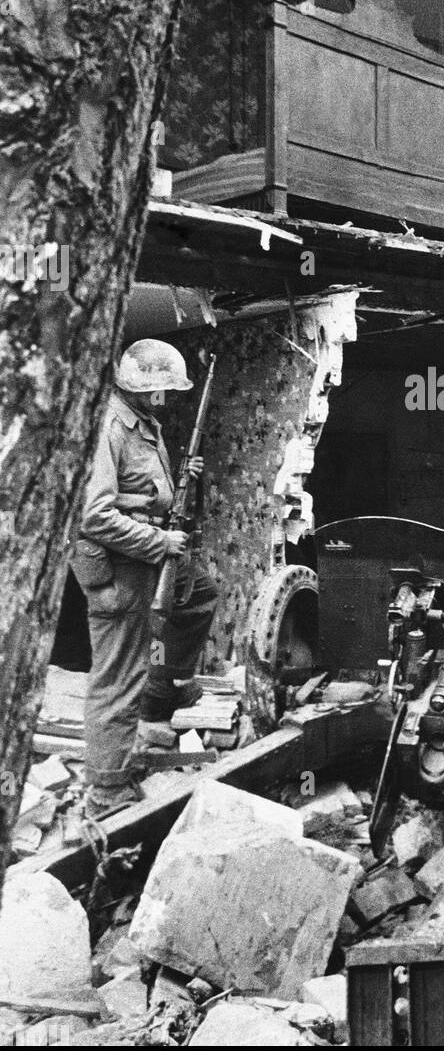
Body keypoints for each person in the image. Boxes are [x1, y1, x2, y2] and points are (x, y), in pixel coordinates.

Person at [70, 339, 217, 818]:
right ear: (138, 387)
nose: (167, 398)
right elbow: (93, 515)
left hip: (149, 555)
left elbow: (148, 492)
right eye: (161, 390)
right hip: (120, 565)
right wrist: (159, 544)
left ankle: (163, 689)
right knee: (117, 678)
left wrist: (185, 479)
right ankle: (107, 790)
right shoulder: (108, 427)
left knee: (198, 594)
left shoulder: (141, 421)